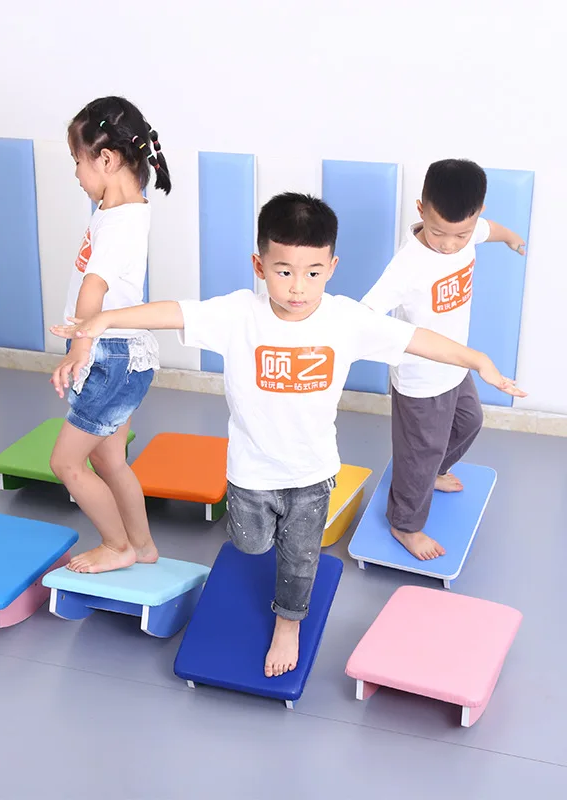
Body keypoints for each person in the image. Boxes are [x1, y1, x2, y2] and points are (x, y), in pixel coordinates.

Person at [50, 192, 525, 678]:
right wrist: (104, 319)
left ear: (332, 267)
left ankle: (288, 623)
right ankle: (271, 546)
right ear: (259, 265)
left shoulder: (345, 320)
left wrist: (479, 360)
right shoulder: (238, 314)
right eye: (283, 271)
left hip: (311, 474)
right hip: (250, 474)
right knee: (249, 545)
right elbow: (173, 313)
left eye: (313, 273)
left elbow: (417, 340)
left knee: (300, 560)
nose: (298, 287)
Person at [361, 159, 526, 561]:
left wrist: (511, 238)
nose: (450, 244)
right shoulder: (408, 265)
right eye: (438, 232)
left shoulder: (471, 231)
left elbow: (489, 230)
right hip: (420, 379)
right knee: (422, 451)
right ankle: (404, 524)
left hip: (455, 365)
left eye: (460, 234)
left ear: (476, 215)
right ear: (421, 210)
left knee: (469, 422)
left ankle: (429, 474)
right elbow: (366, 313)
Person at [49, 96, 171, 574]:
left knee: (66, 464)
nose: (76, 173)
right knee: (109, 460)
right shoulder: (120, 209)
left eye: (77, 161)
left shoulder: (120, 221)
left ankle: (117, 545)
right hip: (119, 355)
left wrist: (78, 349)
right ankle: (142, 545)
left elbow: (93, 287)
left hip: (108, 358)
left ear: (107, 159)